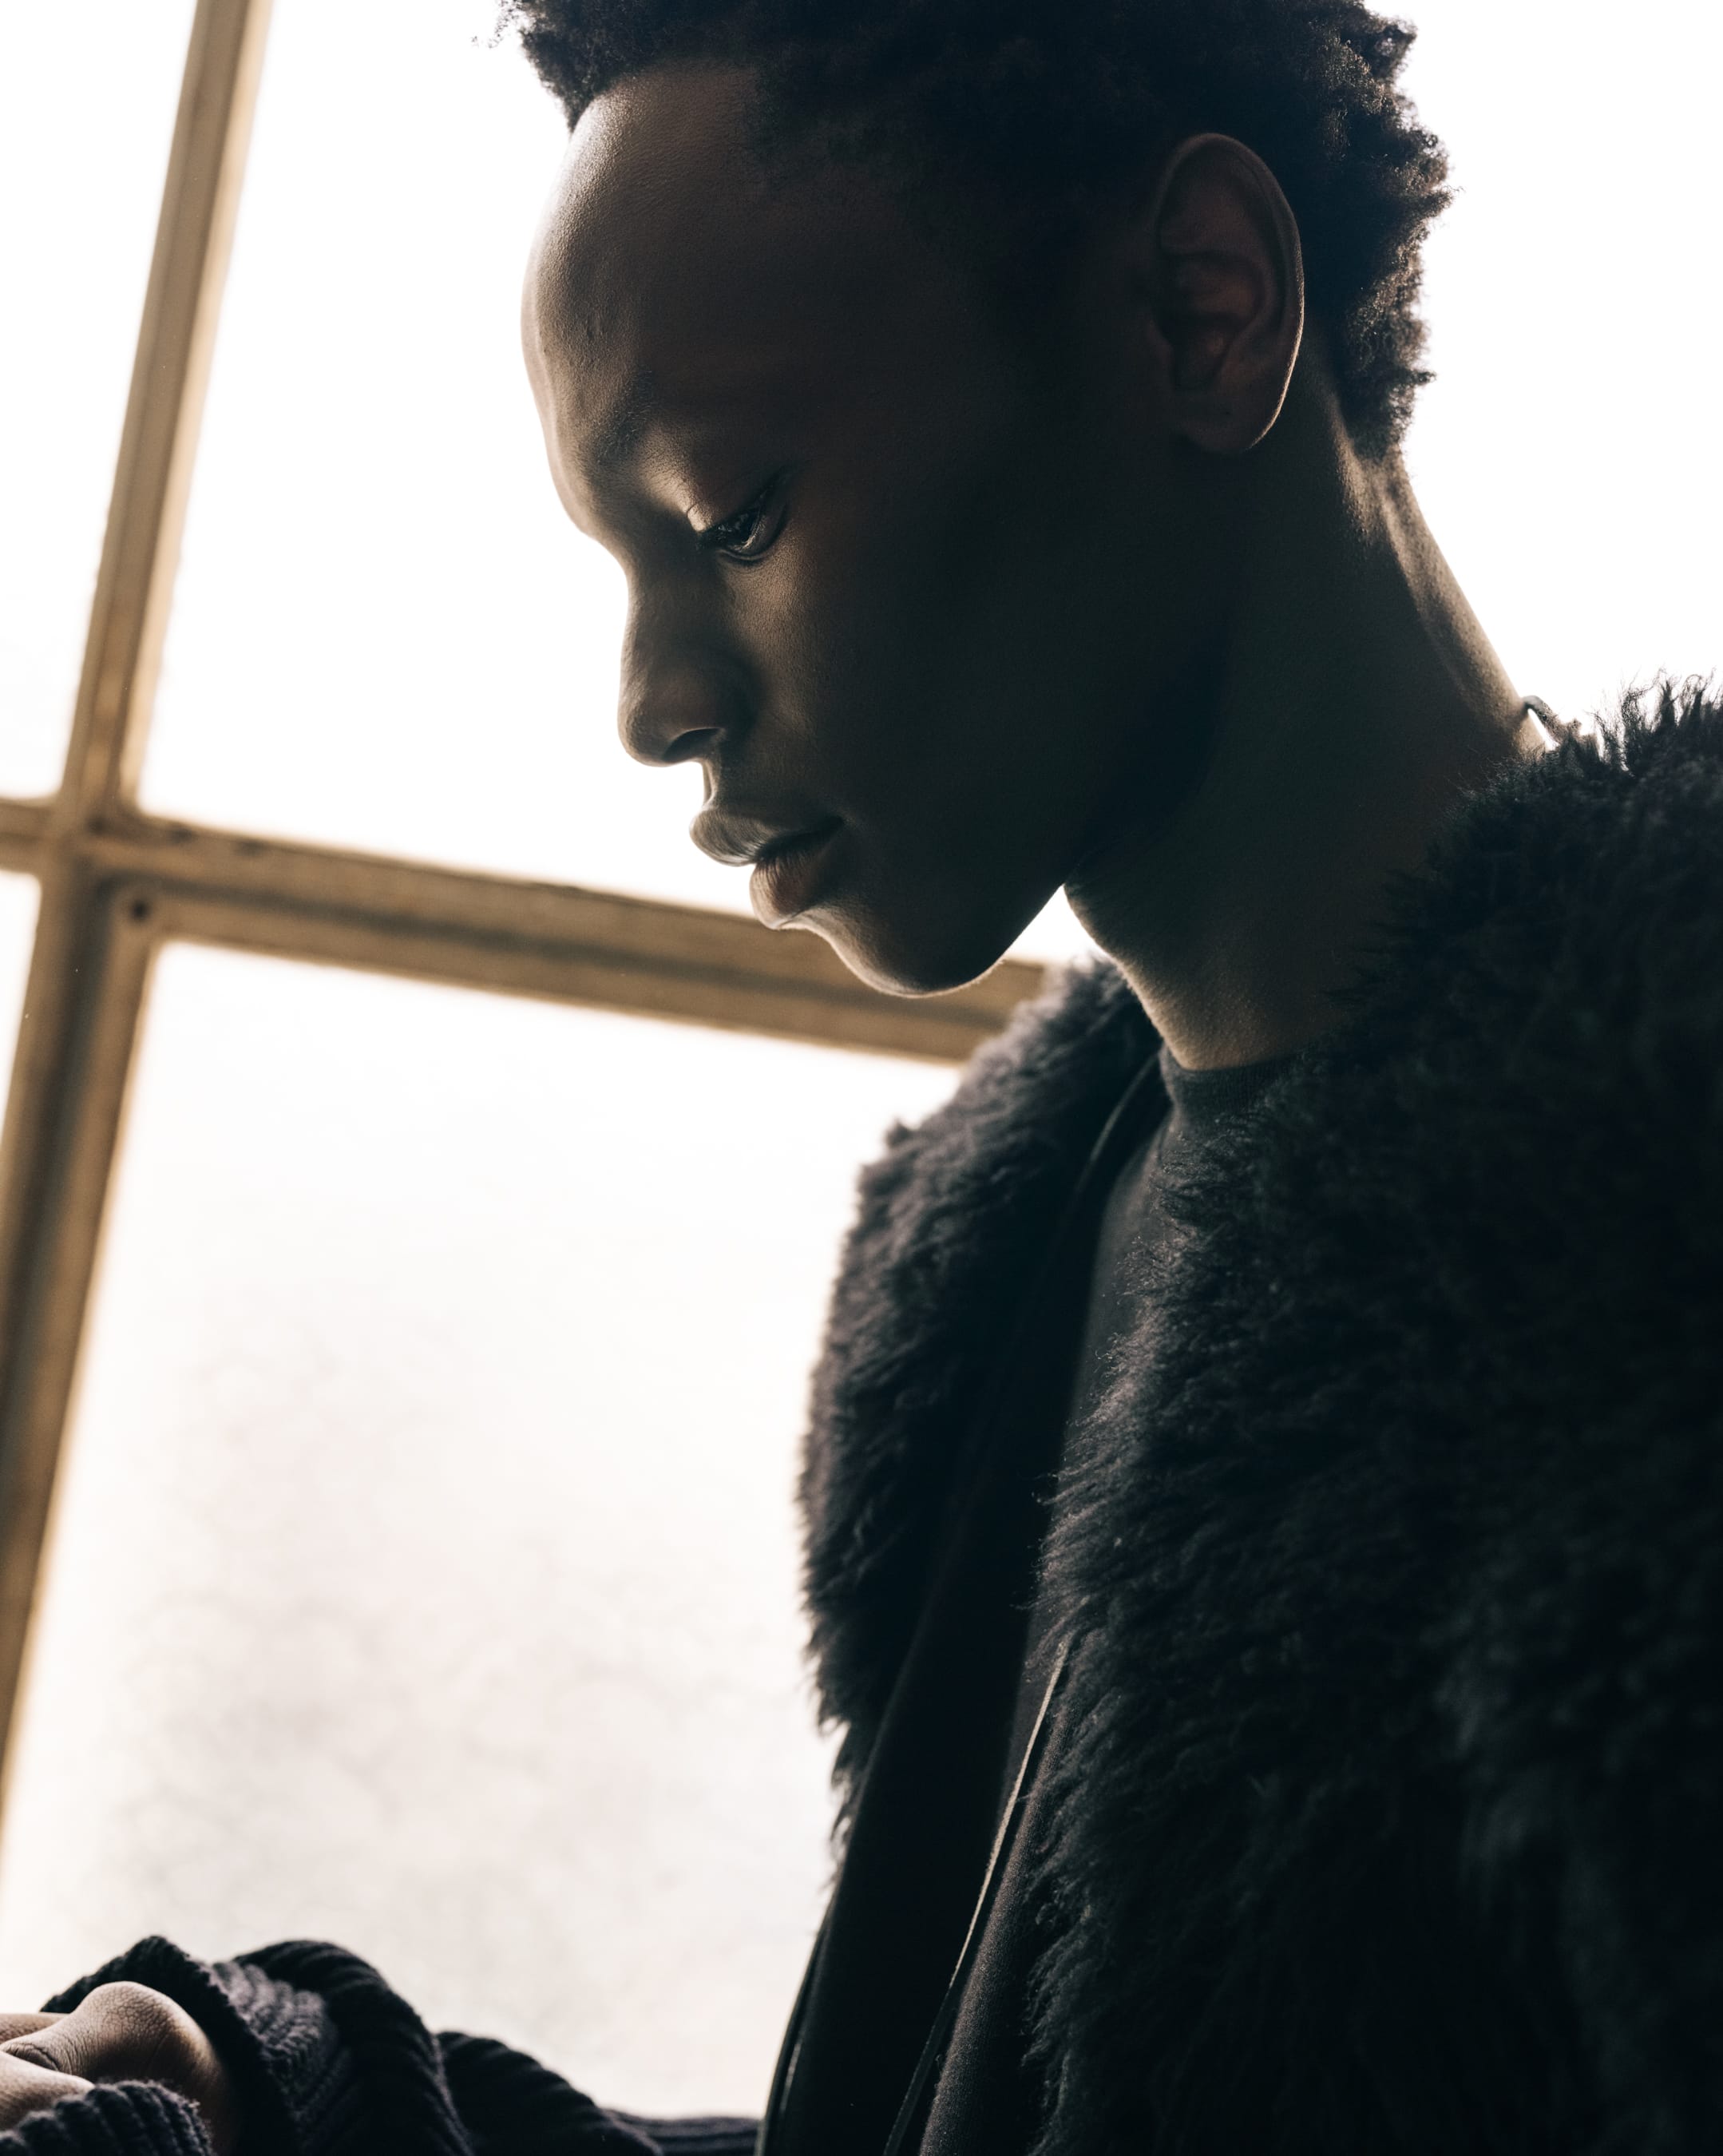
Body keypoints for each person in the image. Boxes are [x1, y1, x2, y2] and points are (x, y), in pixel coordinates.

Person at [3, 2, 1720, 2152]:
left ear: (1203, 309)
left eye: (732, 514)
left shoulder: (1660, 1272)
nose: (647, 700)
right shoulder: (1028, 1230)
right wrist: (281, 2091)